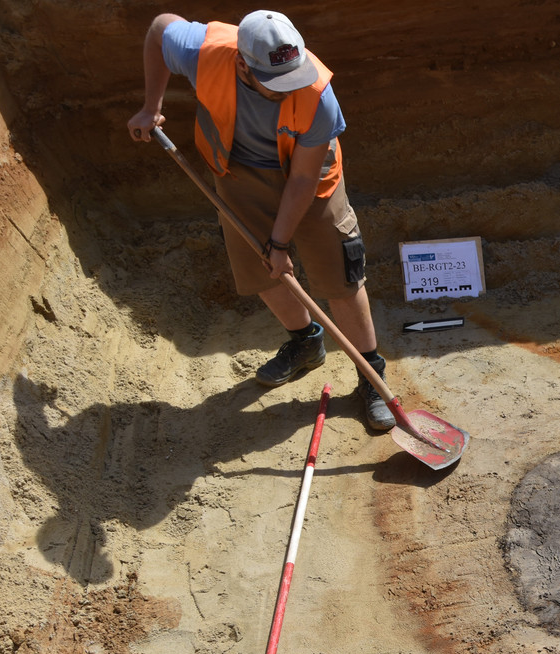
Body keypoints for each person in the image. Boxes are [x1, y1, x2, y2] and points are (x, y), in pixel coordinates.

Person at [127, 10, 395, 431]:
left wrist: (281, 243)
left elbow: (304, 177)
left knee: (340, 276)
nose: (288, 90)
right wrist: (150, 107)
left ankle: (371, 375)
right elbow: (160, 26)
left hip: (311, 176)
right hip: (237, 170)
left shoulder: (318, 94)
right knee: (261, 269)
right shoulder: (205, 52)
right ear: (241, 65)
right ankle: (306, 343)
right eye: (275, 85)